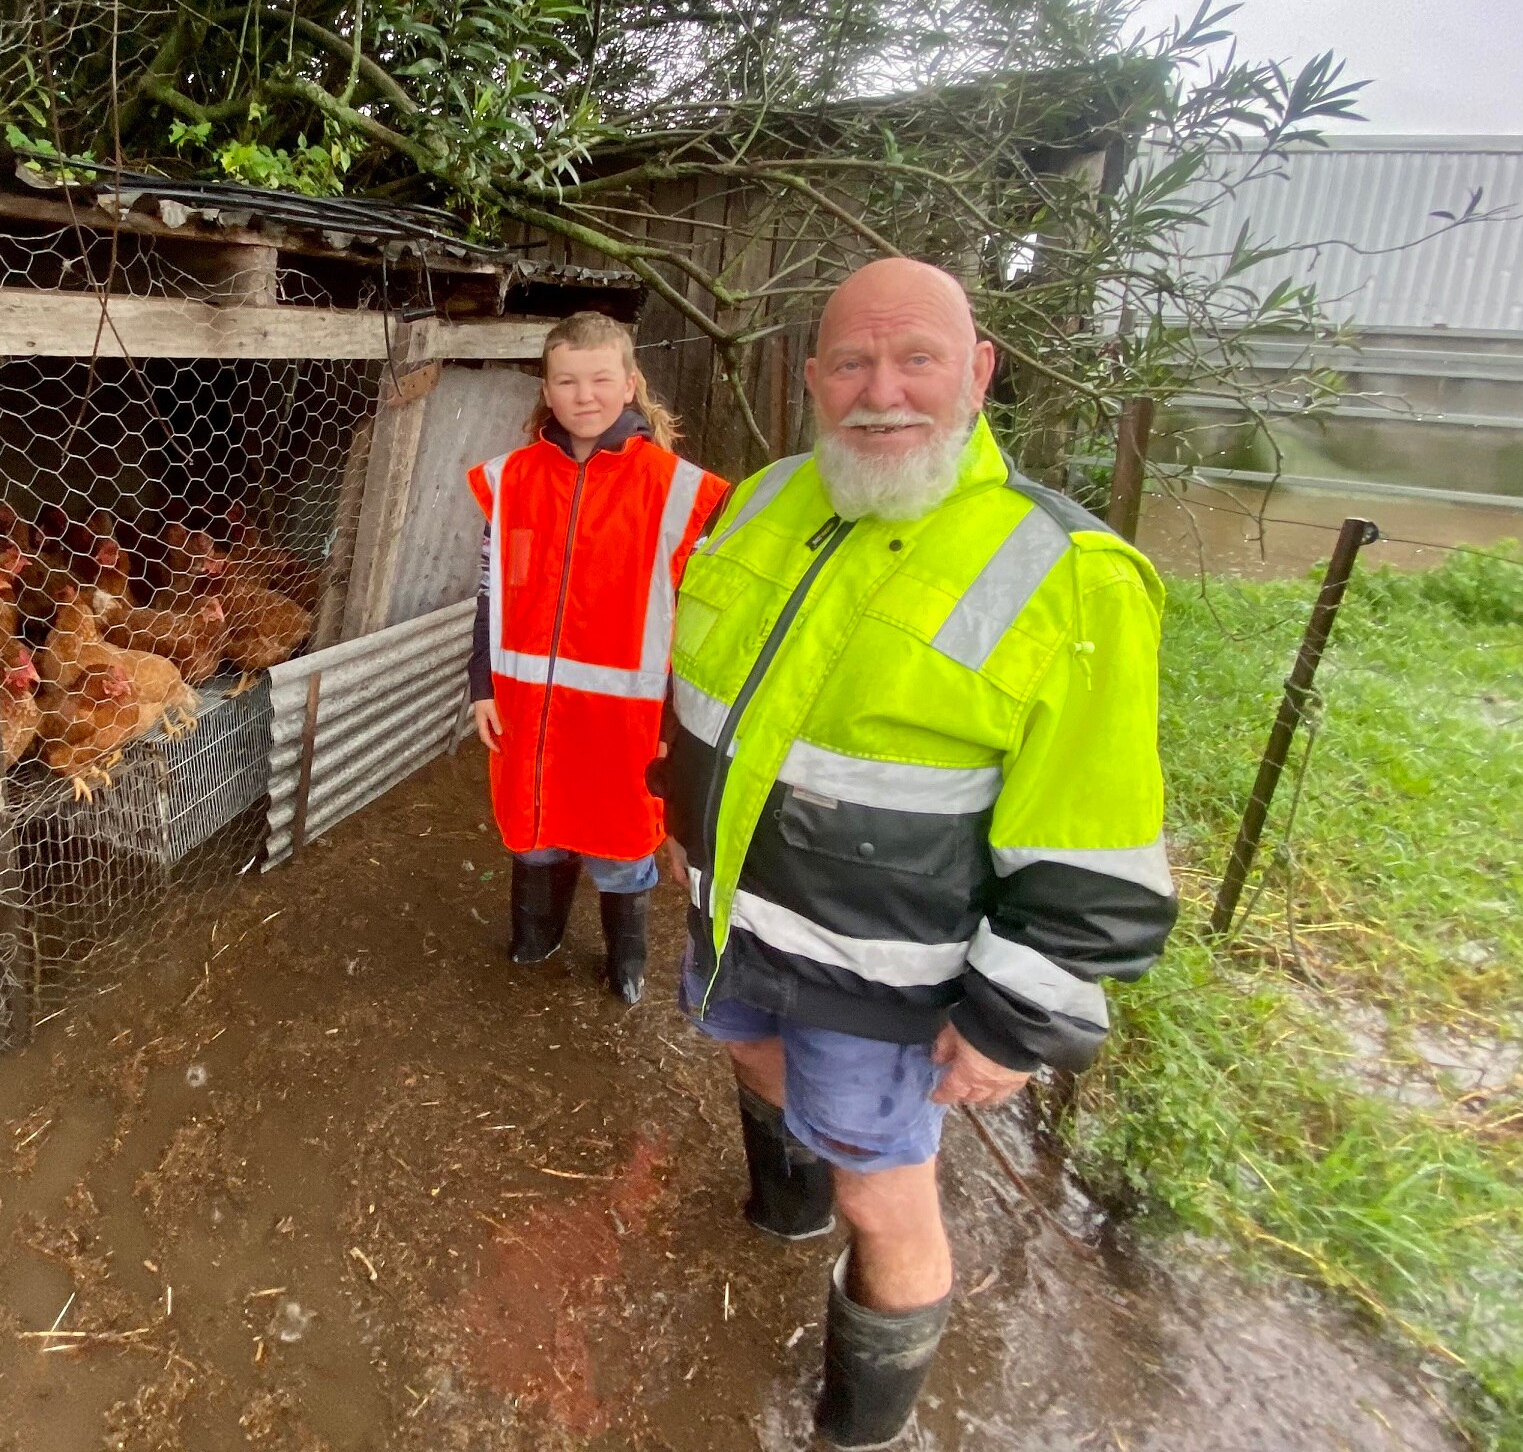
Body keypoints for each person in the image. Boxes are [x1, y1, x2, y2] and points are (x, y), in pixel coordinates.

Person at [663, 259, 1175, 1448]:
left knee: (881, 1192)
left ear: (978, 371)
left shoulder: (1066, 572)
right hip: (737, 918)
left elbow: (1090, 839)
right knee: (748, 1068)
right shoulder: (766, 499)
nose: (878, 391)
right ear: (809, 379)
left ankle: (862, 1422)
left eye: (915, 359)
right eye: (848, 361)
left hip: (883, 980)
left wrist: (1012, 1020)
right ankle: (779, 1214)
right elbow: (703, 702)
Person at [466, 312, 731, 1002]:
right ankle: (535, 938)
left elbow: (704, 625)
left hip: (628, 720)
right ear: (546, 391)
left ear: (631, 384)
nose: (585, 395)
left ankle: (626, 962)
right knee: (533, 831)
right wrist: (480, 685)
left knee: (620, 847)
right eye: (567, 380)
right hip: (527, 707)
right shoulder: (513, 479)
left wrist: (683, 727)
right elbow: (491, 592)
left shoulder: (678, 489)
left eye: (601, 379)